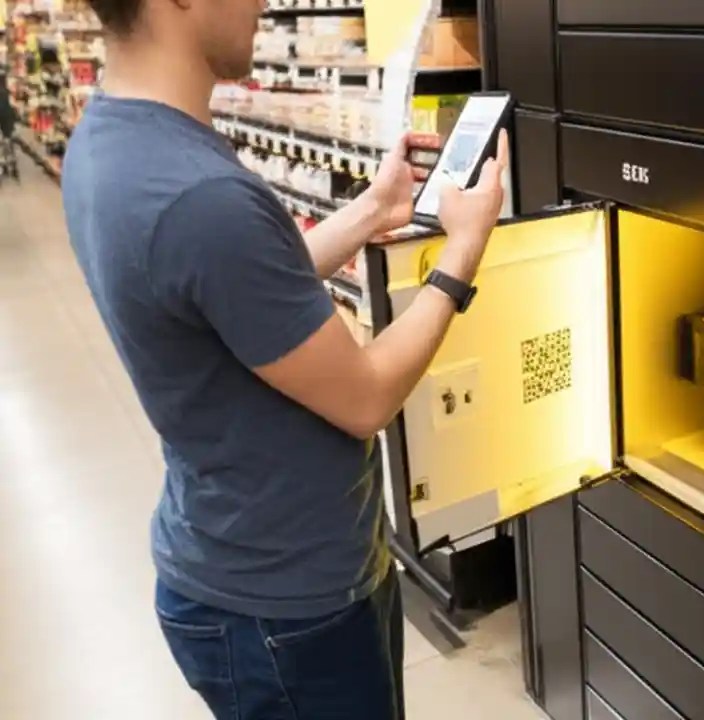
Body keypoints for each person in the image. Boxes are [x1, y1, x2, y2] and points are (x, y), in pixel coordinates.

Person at [60, 0, 508, 716]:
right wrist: (460, 255)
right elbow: (365, 398)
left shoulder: (112, 138)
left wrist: (370, 210)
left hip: (244, 558)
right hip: (286, 610)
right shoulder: (199, 193)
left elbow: (236, 292)